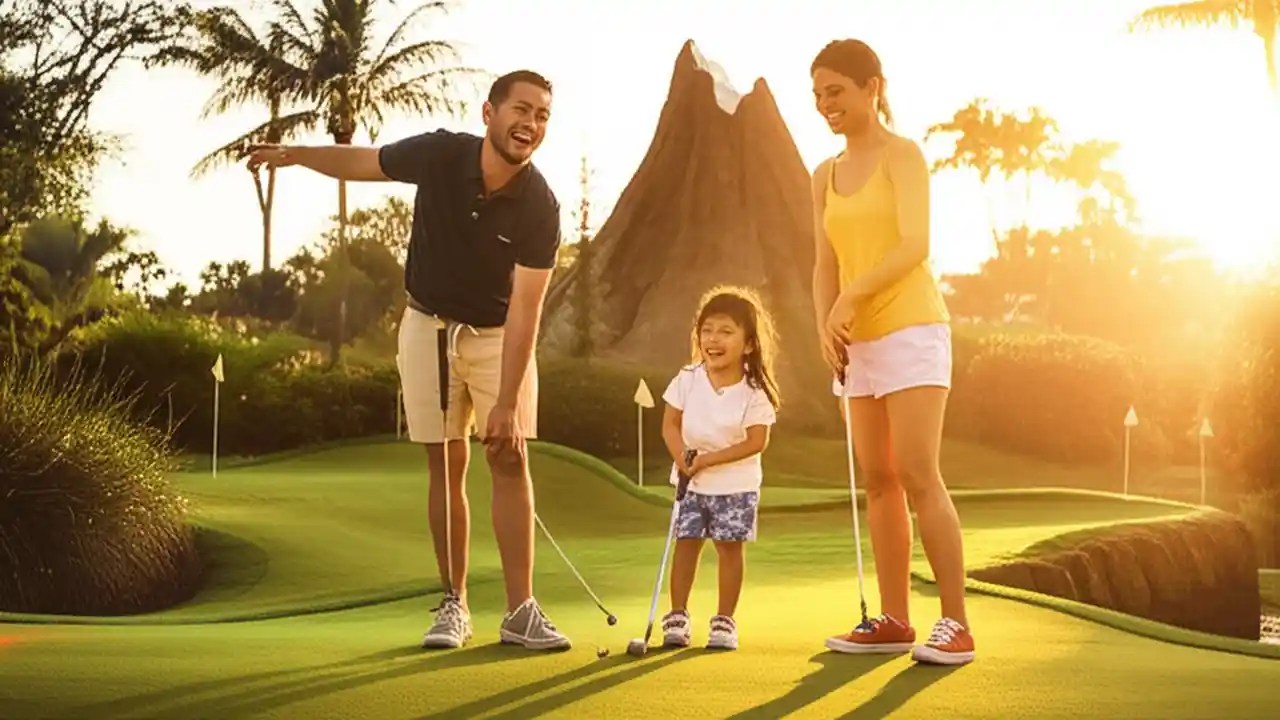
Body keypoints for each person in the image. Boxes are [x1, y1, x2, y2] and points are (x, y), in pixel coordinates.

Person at [245, 70, 570, 651]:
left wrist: (504, 404)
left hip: (498, 338)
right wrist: (292, 154)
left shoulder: (540, 205)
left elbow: (527, 311)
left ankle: (521, 611)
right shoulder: (442, 154)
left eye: (543, 115)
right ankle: (455, 604)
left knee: (508, 458)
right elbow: (364, 163)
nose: (531, 124)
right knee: (445, 465)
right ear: (489, 113)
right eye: (522, 109)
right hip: (427, 328)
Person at [808, 39, 974, 665]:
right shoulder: (821, 174)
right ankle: (894, 620)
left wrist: (851, 297)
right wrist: (826, 321)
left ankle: (955, 623)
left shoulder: (903, 156)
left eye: (838, 92)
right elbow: (822, 260)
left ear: (872, 87)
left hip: (911, 328)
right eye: (819, 95)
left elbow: (915, 245)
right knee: (878, 481)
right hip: (858, 342)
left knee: (915, 472)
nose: (827, 105)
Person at [657, 286, 781, 652]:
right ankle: (677, 615)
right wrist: (682, 459)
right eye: (708, 330)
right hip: (689, 482)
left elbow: (756, 442)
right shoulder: (687, 378)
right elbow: (670, 425)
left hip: (735, 485)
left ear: (748, 344)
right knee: (686, 544)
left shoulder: (755, 391)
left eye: (726, 331)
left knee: (729, 548)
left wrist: (707, 460)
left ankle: (724, 620)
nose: (714, 339)